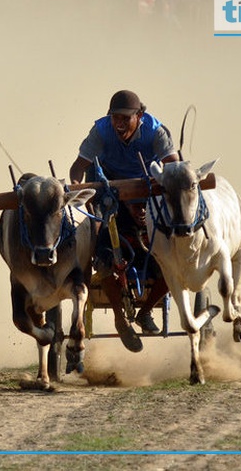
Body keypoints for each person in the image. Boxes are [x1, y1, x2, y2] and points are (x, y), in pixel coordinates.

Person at [68, 89, 178, 353]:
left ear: (139, 116)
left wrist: (155, 200)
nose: (118, 123)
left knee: (173, 261)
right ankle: (120, 319)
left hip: (150, 193)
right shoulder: (102, 131)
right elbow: (77, 168)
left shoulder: (155, 132)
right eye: (115, 117)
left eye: (125, 118)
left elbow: (173, 167)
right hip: (112, 198)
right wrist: (75, 188)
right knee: (104, 258)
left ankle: (145, 312)